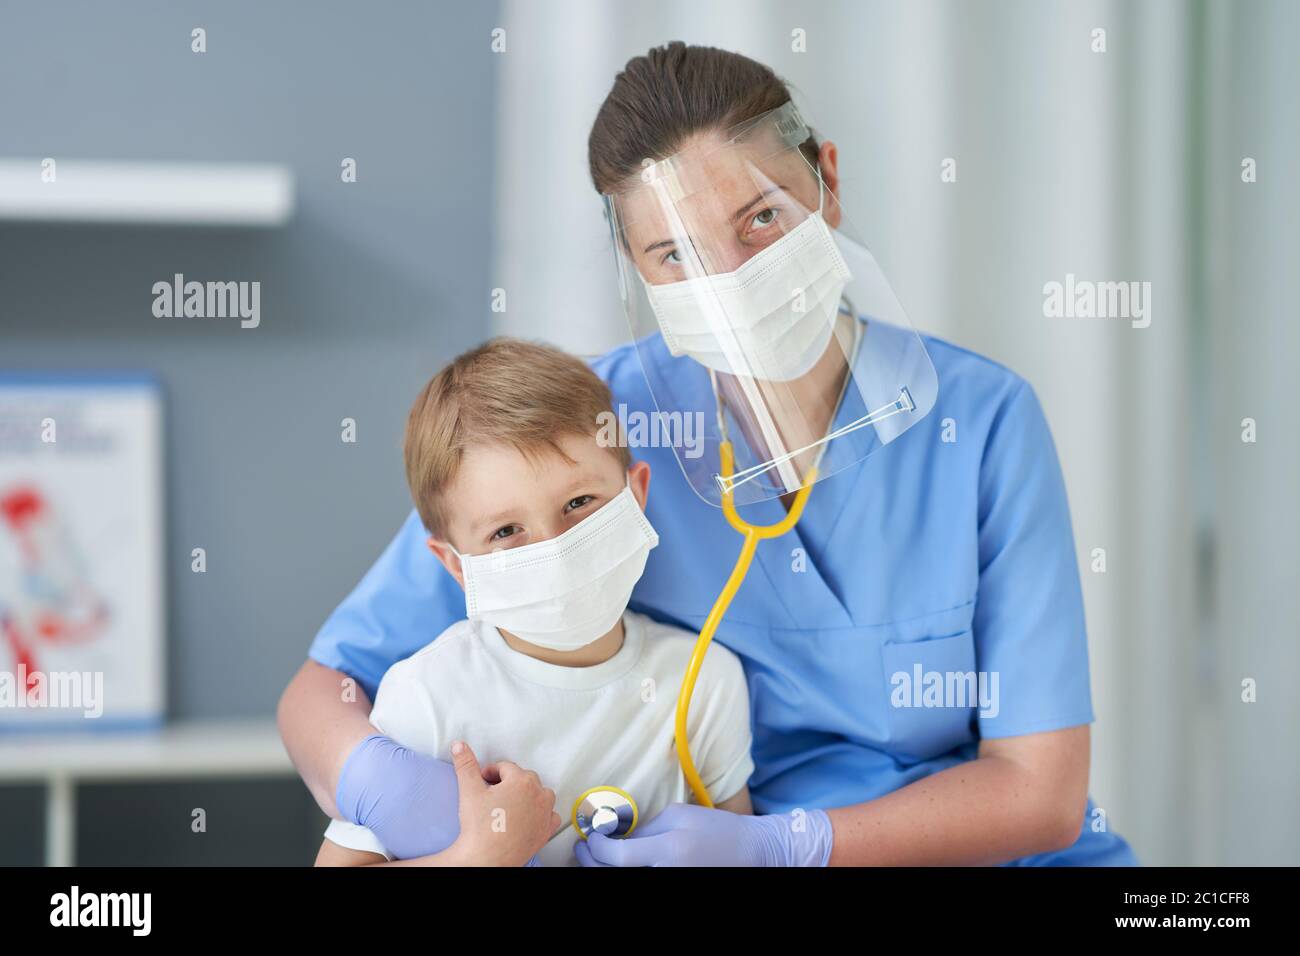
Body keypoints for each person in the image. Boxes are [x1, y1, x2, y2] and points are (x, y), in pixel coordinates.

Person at [279, 42, 1137, 867]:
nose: (730, 279)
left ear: (827, 181)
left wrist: (790, 849)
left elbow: (1043, 795)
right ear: (634, 265)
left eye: (761, 218)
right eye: (674, 253)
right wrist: (409, 803)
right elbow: (326, 692)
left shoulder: (982, 422)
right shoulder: (586, 433)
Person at [312, 338, 755, 867]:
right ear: (455, 564)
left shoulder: (704, 682)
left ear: (636, 494)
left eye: (578, 502)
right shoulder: (428, 697)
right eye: (506, 530)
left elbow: (739, 846)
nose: (555, 546)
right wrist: (476, 858)